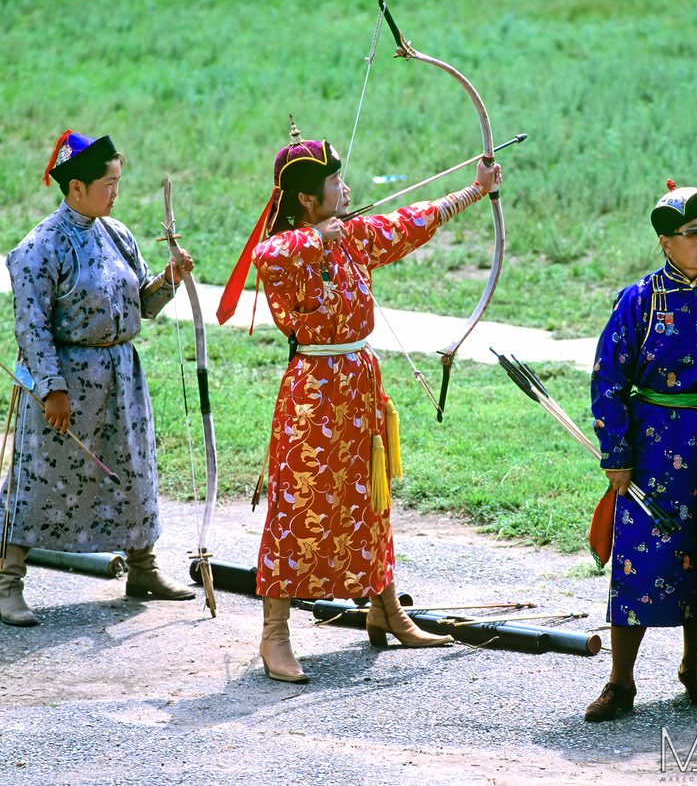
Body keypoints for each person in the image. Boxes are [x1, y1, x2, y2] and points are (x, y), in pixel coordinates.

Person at [217, 118, 502, 682]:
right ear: (306, 198)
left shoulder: (354, 234)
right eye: (335, 183)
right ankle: (275, 633)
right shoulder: (290, 249)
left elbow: (408, 222)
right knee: (300, 503)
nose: (345, 190)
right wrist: (317, 237)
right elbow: (267, 255)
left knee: (371, 496)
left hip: (361, 383)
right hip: (313, 391)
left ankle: (386, 610)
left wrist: (476, 190)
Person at [0, 130, 196, 627]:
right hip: (64, 386)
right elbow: (32, 327)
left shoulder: (117, 233)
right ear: (76, 189)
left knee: (132, 470)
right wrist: (53, 390)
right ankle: (7, 581)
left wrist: (169, 280)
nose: (116, 192)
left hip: (121, 378)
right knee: (39, 479)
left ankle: (143, 568)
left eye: (117, 182)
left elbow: (142, 306)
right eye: (108, 183)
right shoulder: (38, 247)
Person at [587, 179, 697, 721]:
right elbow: (608, 377)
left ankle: (692, 667)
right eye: (694, 233)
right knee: (642, 560)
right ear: (666, 243)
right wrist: (616, 452)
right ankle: (620, 682)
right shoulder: (640, 300)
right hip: (656, 445)